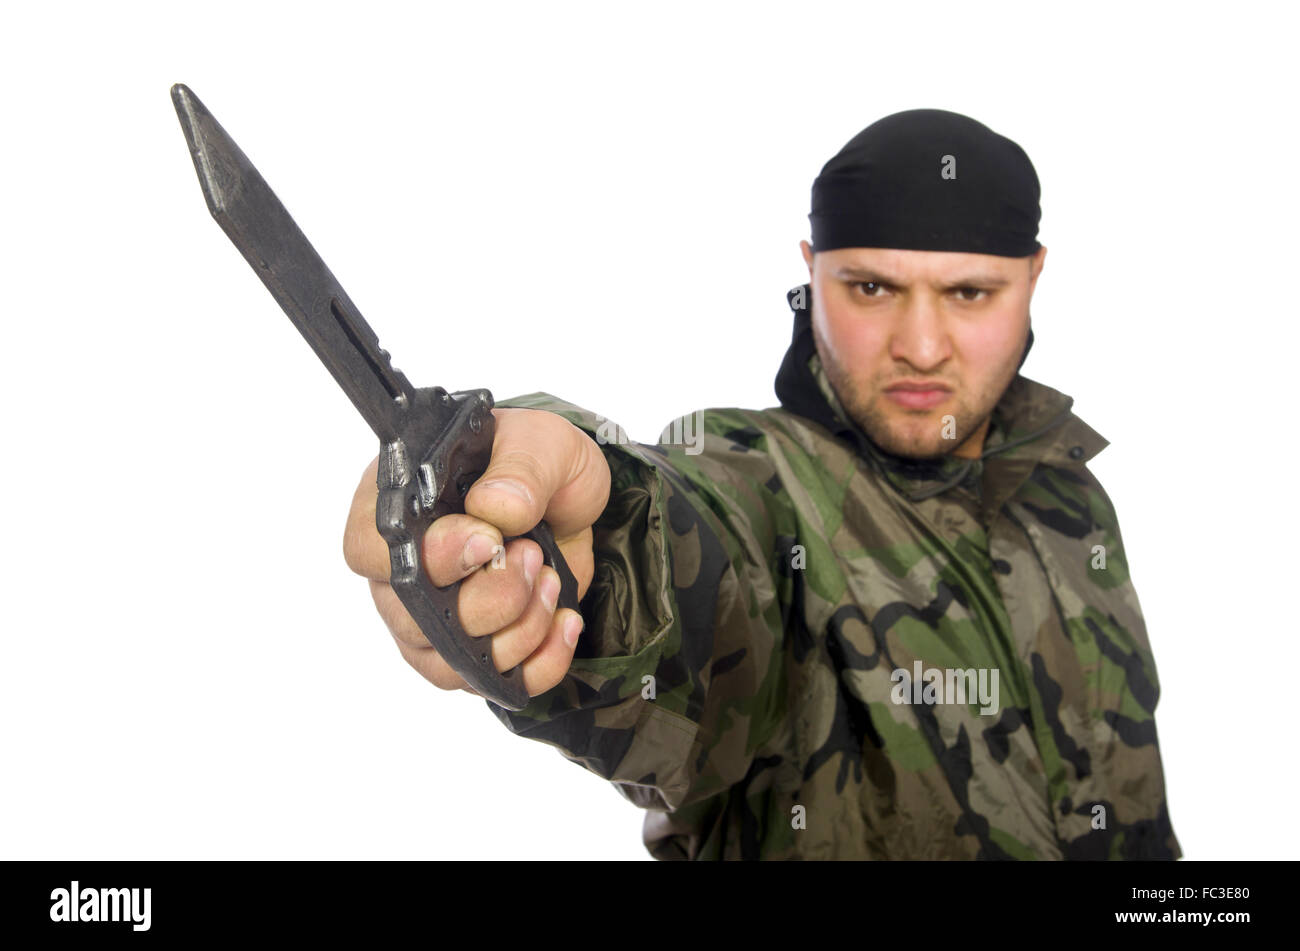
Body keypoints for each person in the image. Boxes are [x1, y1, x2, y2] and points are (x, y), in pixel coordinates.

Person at [343, 109, 1180, 860]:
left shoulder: (1070, 502)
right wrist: (584, 543)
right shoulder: (765, 477)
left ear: (1033, 277)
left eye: (969, 292)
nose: (922, 346)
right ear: (811, 270)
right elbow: (697, 558)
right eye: (872, 288)